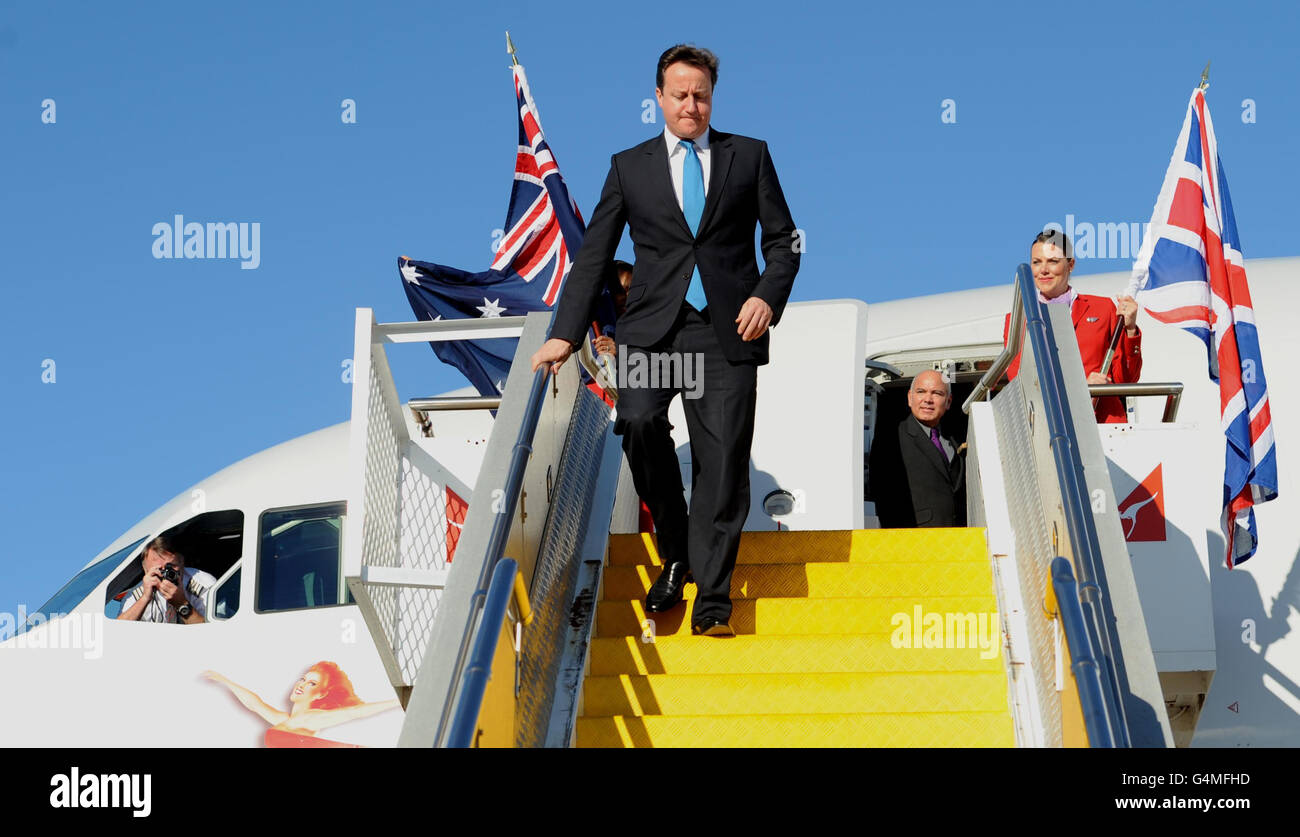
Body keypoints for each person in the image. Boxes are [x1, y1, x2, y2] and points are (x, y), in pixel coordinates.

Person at [530, 45, 800, 636]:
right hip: (653, 334)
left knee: (722, 464)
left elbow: (786, 242)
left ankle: (712, 603)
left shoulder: (748, 156)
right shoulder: (630, 167)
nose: (690, 104)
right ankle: (675, 548)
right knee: (639, 420)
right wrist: (564, 337)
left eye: (700, 94)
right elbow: (594, 255)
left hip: (724, 332)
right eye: (679, 94)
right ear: (658, 98)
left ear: (712, 97)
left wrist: (766, 296)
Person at [1003, 231, 1141, 423]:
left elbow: (1127, 379)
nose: (1043, 270)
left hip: (1102, 425)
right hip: (1048, 428)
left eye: (1052, 261)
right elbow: (1022, 383)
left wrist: (1130, 329)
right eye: (1036, 262)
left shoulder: (1102, 309)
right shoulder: (1018, 319)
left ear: (1071, 264)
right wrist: (1082, 388)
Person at [203, 662, 400, 748]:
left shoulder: (312, 718)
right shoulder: (287, 721)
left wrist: (399, 701)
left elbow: (357, 712)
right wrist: (225, 681)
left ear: (321, 693)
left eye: (312, 684)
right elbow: (255, 704)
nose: (302, 685)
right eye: (303, 679)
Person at [870, 370, 966, 528]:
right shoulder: (891, 439)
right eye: (921, 392)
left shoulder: (956, 437)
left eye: (936, 393)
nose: (928, 399)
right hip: (917, 541)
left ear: (948, 402)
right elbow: (884, 497)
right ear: (910, 397)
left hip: (962, 538)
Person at [116, 535, 215, 624]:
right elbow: (117, 631)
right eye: (159, 570)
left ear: (182, 563)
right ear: (146, 572)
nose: (166, 574)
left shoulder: (203, 584)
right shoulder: (138, 594)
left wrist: (181, 604)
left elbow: (214, 632)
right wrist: (145, 598)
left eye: (171, 567)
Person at [593, 259, 634, 357]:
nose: (627, 296)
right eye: (619, 291)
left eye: (632, 290)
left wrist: (621, 352)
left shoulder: (652, 327)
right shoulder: (596, 330)